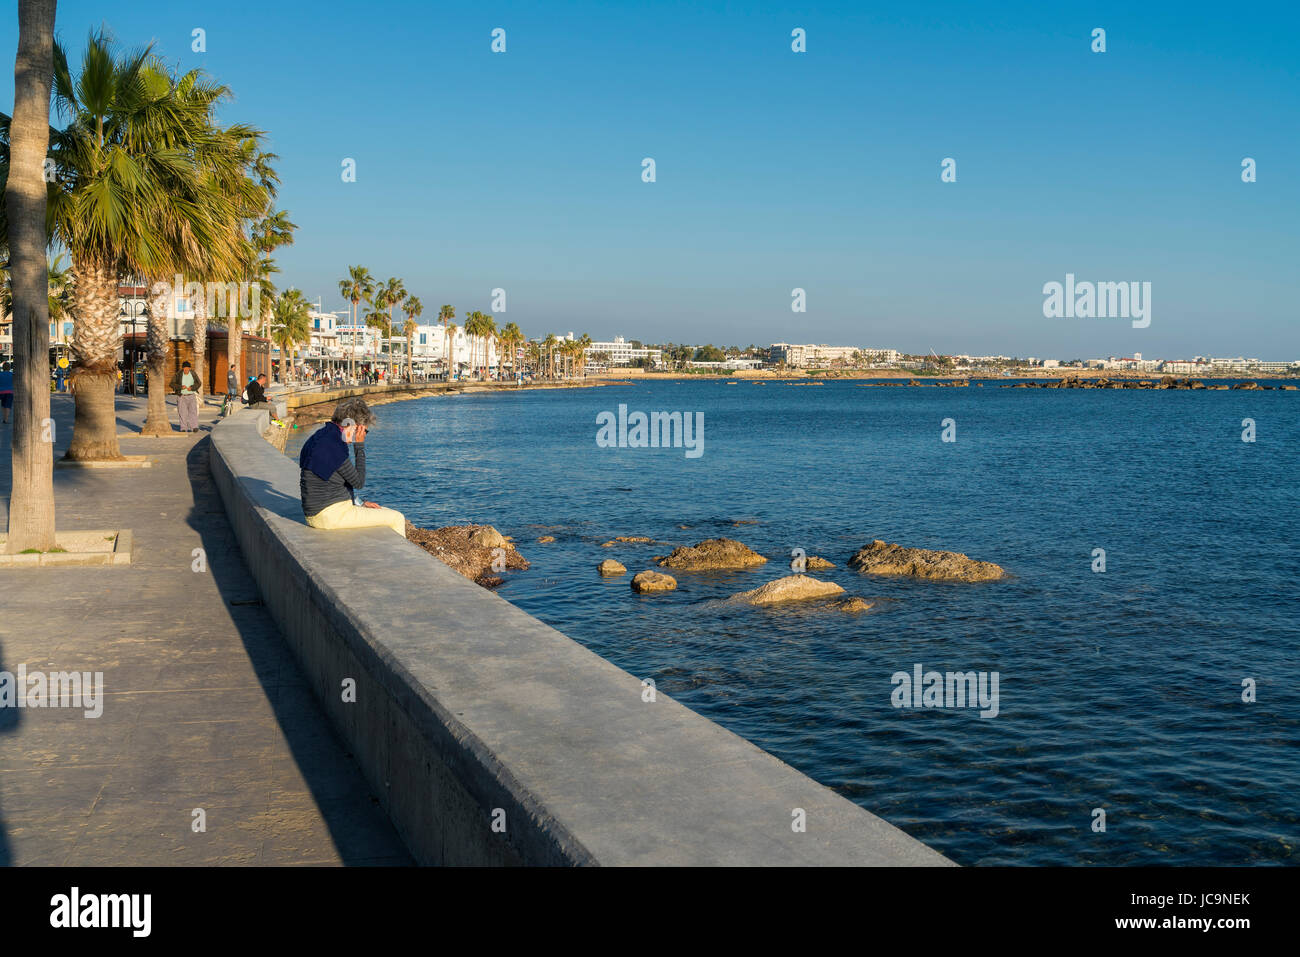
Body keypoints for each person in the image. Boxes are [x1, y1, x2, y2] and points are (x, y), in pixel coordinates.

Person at [298, 398, 405, 536]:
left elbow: (336, 481)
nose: (361, 436)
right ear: (354, 426)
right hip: (329, 515)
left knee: (380, 511)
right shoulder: (334, 446)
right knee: (396, 518)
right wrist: (359, 446)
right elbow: (359, 482)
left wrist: (360, 502)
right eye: (364, 431)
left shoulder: (322, 436)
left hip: (319, 512)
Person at [174, 360, 200, 431]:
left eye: (187, 368)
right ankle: (183, 428)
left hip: (191, 395)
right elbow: (172, 384)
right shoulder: (178, 374)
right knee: (182, 413)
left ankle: (194, 427)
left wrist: (192, 387)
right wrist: (180, 387)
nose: (186, 369)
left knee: (193, 412)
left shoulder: (193, 374)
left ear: (190, 368)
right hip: (181, 396)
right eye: (184, 368)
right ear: (182, 368)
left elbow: (199, 383)